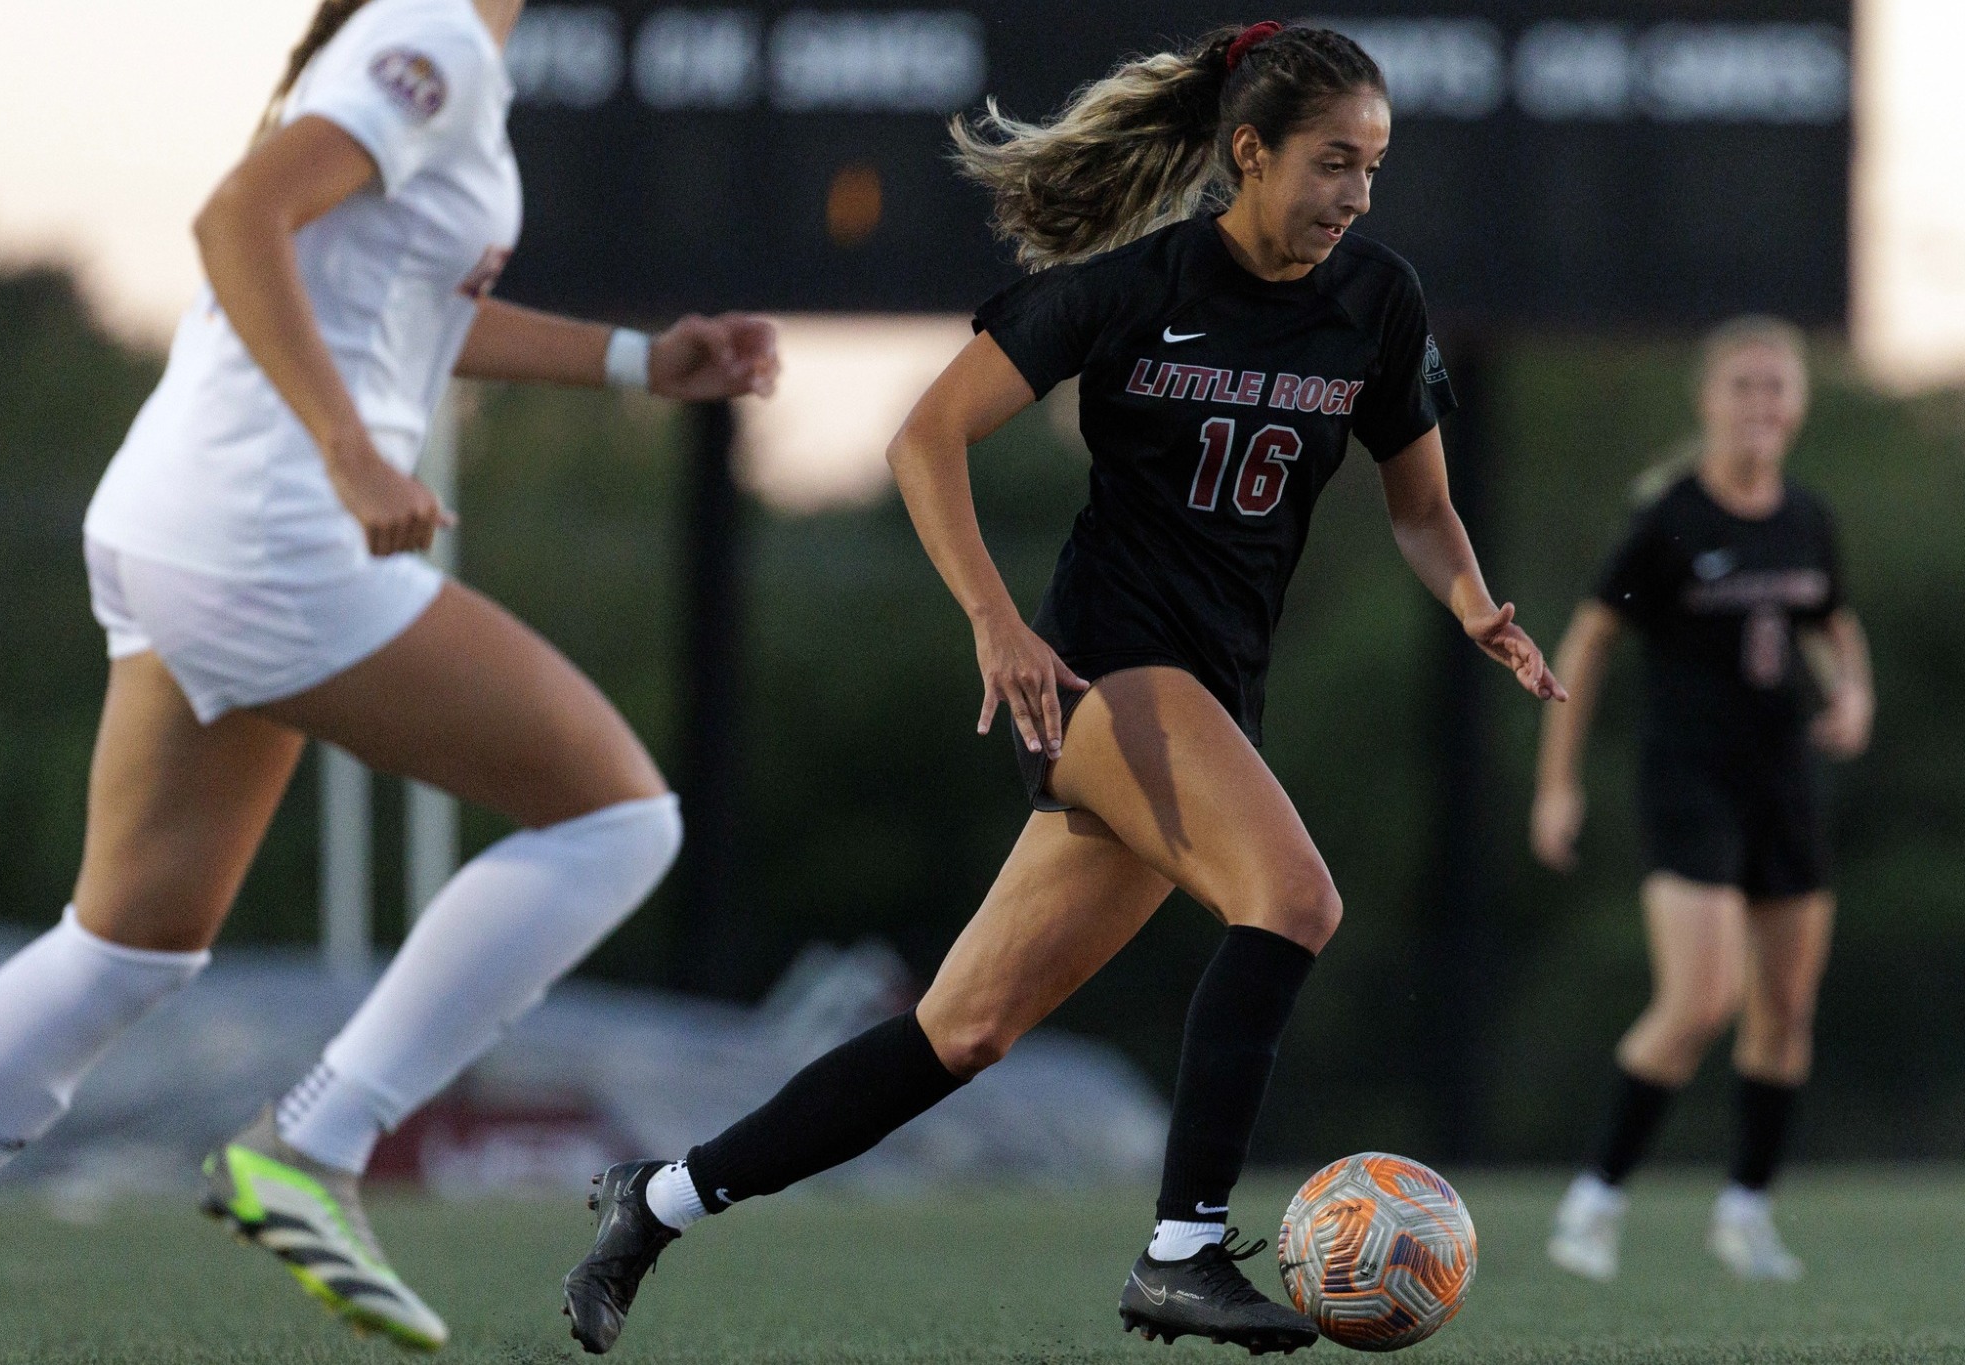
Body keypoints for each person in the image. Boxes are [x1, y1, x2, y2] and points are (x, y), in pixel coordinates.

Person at [561, 21, 1562, 1357]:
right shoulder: (1135, 285)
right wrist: (993, 621)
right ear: (1248, 152)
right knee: (1295, 900)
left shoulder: (1377, 298)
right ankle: (1181, 1250)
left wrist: (1475, 601)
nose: (1357, 194)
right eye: (1333, 162)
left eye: (1373, 167)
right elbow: (926, 436)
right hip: (1103, 667)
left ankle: (658, 1200)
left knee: (963, 1031)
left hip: (1212, 697)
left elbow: (1421, 508)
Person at [0, 0, 776, 1349]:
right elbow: (237, 221)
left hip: (178, 528)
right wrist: (348, 451)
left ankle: (309, 1142)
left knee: (122, 950)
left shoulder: (443, 46)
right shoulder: (434, 33)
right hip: (268, 535)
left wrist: (639, 361)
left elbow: (402, 307)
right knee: (621, 818)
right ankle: (312, 1144)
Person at [1534, 317, 1872, 1283]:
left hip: (1784, 781)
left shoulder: (1806, 515)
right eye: (1743, 385)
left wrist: (1854, 693)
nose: (1762, 403)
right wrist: (1557, 784)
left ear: (1798, 403)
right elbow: (1589, 640)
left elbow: (1829, 621)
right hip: (1690, 779)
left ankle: (1746, 1210)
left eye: (1777, 385)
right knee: (1700, 1001)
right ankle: (1593, 1202)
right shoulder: (1671, 519)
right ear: (1709, 401)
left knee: (1786, 1009)